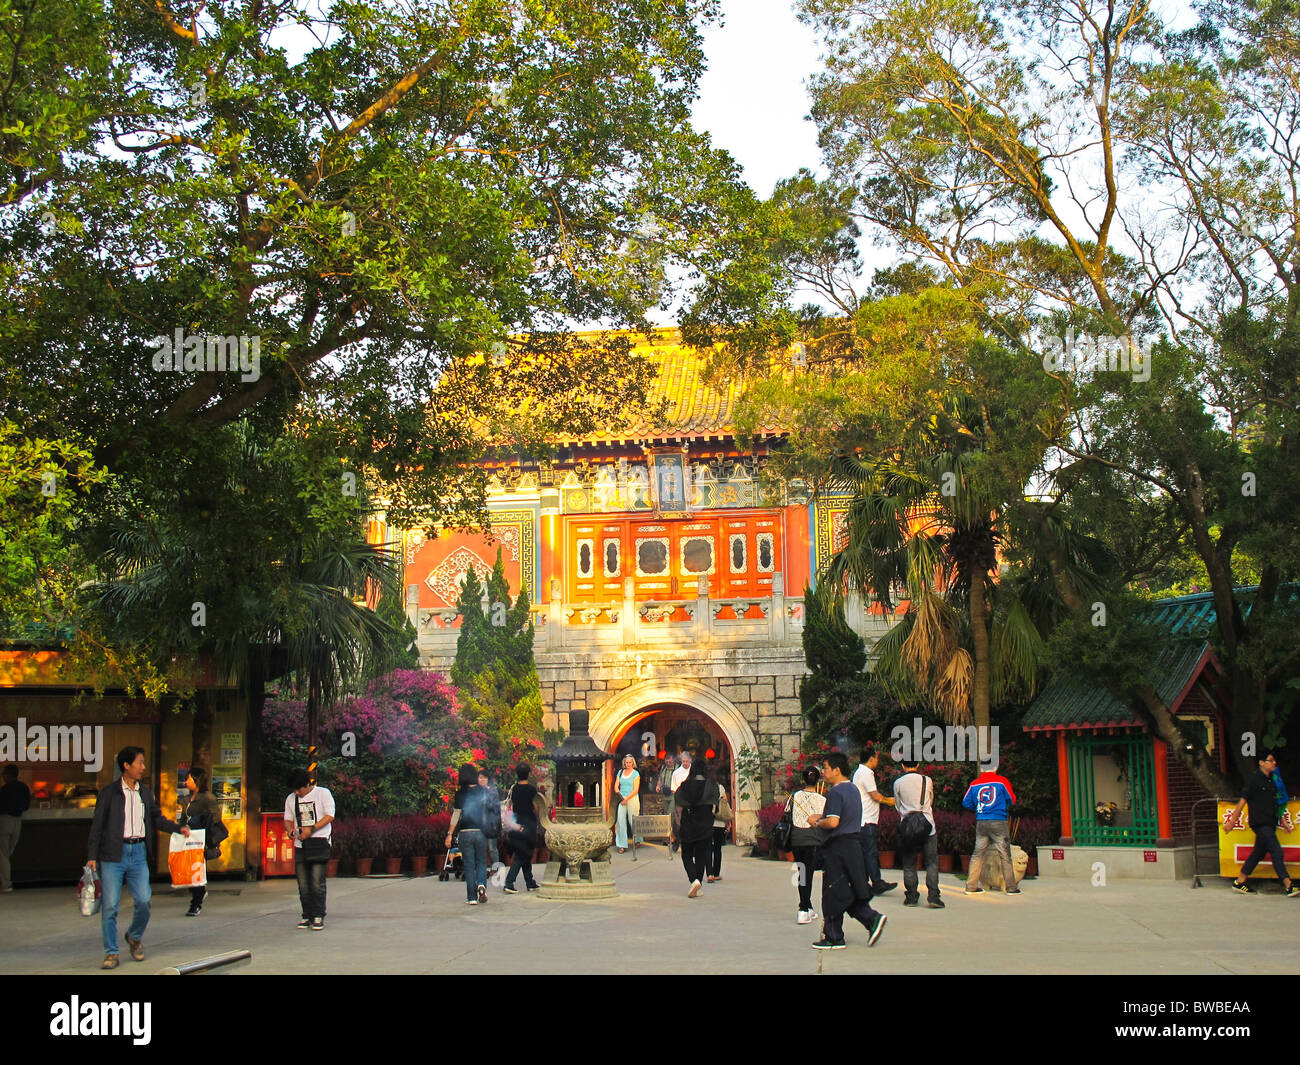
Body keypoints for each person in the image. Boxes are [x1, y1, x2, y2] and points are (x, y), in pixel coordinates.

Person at [87, 746, 191, 969]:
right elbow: (97, 826)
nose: (143, 767)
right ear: (127, 765)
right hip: (113, 855)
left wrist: (176, 828)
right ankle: (111, 953)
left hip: (138, 853)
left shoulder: (145, 792)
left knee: (144, 901)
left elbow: (156, 818)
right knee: (110, 906)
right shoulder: (109, 793)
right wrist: (92, 856)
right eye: (140, 763)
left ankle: (134, 936)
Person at [804, 752, 886, 949]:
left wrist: (817, 822)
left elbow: (833, 822)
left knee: (833, 892)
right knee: (844, 890)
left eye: (825, 768)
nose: (823, 772)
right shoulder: (853, 790)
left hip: (837, 848)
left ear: (836, 769)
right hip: (852, 844)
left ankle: (837, 935)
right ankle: (866, 921)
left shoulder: (836, 792)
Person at [1227, 750, 1300, 896]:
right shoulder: (1253, 780)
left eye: (1274, 761)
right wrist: (1232, 822)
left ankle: (1240, 882)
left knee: (1258, 853)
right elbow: (1242, 801)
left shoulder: (1273, 781)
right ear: (1261, 763)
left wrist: (1283, 821)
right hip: (1260, 822)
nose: (1274, 763)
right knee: (1276, 851)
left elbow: (1275, 805)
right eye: (1270, 760)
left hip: (1270, 821)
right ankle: (1288, 885)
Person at [283, 767, 335, 930]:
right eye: (294, 790)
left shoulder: (322, 793)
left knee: (317, 881)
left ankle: (319, 914)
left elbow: (329, 815)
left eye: (299, 789)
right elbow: (288, 819)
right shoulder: (291, 798)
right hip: (300, 845)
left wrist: (311, 829)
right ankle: (307, 915)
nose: (297, 792)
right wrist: (290, 831)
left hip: (319, 842)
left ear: (307, 784)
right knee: (303, 884)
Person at [962, 763, 1020, 895]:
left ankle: (971, 886)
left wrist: (978, 808)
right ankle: (1011, 888)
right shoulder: (1002, 781)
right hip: (999, 821)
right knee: (1005, 854)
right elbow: (1012, 799)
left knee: (978, 854)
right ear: (996, 767)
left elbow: (965, 802)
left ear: (981, 768)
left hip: (981, 821)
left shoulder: (974, 783)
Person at [894, 758, 943, 908]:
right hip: (928, 826)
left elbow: (897, 804)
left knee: (909, 863)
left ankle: (911, 897)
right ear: (917, 764)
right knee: (932, 862)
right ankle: (934, 896)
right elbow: (931, 799)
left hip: (908, 827)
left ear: (902, 765)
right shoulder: (927, 780)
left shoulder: (898, 783)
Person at [852, 746, 897, 897]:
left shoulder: (860, 772)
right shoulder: (866, 773)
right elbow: (876, 796)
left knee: (865, 853)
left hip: (863, 819)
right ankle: (877, 883)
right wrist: (892, 801)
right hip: (866, 820)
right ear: (871, 758)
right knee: (870, 852)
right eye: (876, 758)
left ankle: (863, 884)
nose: (877, 761)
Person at [181, 767, 225, 916]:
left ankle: (196, 903)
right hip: (187, 838)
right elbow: (183, 817)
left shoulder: (207, 797)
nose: (185, 781)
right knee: (188, 871)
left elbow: (216, 817)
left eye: (189, 778)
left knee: (197, 871)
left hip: (200, 838)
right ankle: (199, 893)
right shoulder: (187, 798)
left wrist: (200, 822)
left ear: (197, 780)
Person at [446, 764, 492, 904]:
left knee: (469, 865)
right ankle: (482, 885)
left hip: (465, 832)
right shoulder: (483, 792)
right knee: (481, 862)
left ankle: (472, 898)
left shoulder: (460, 793)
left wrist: (449, 834)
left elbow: (456, 815)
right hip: (480, 832)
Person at [673, 758, 718, 897]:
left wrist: (678, 825)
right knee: (701, 855)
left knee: (686, 854)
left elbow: (678, 808)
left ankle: (694, 880)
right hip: (705, 823)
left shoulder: (683, 786)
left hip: (688, 821)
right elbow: (716, 806)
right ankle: (698, 882)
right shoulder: (711, 786)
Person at [788, 766, 826, 924]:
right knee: (808, 875)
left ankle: (807, 906)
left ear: (803, 779)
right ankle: (803, 909)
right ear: (818, 781)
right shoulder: (822, 799)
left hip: (797, 838)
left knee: (802, 872)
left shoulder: (795, 796)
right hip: (813, 840)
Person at [503, 763, 541, 893]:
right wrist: (539, 819)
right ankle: (509, 882)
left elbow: (512, 806)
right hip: (528, 822)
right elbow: (535, 805)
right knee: (522, 853)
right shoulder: (532, 790)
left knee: (525, 852)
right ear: (529, 774)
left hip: (517, 822)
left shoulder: (514, 789)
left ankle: (530, 882)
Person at [0, 764, 30, 893]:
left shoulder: (4, 790)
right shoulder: (24, 787)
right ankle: (5, 879)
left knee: (3, 854)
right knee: (8, 852)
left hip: (4, 820)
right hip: (18, 820)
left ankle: (6, 883)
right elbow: (26, 806)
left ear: (7, 775)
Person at [707, 762, 730, 882]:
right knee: (717, 848)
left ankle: (709, 874)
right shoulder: (720, 788)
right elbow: (725, 803)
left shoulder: (705, 788)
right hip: (719, 822)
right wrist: (728, 821)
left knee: (707, 848)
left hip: (707, 822)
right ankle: (716, 873)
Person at [478, 769, 503, 875]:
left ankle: (495, 867)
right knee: (481, 847)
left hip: (491, 824)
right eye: (480, 777)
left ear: (488, 779)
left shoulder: (493, 791)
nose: (481, 780)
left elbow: (495, 806)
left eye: (484, 777)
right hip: (479, 824)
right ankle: (482, 868)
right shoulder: (476, 791)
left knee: (492, 848)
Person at [615, 755, 641, 852]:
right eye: (627, 762)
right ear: (624, 763)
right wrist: (622, 798)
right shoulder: (620, 772)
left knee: (633, 820)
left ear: (633, 763)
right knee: (620, 821)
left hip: (632, 798)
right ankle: (621, 844)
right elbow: (616, 787)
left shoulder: (636, 773)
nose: (628, 764)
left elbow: (635, 789)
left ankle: (637, 839)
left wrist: (627, 798)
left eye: (630, 762)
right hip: (622, 799)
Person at [669, 751, 692, 855]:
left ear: (690, 760)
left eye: (687, 761)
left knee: (691, 822)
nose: (685, 763)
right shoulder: (676, 773)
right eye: (683, 761)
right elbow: (673, 788)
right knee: (678, 823)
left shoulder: (694, 771)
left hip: (692, 800)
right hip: (680, 800)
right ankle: (678, 841)